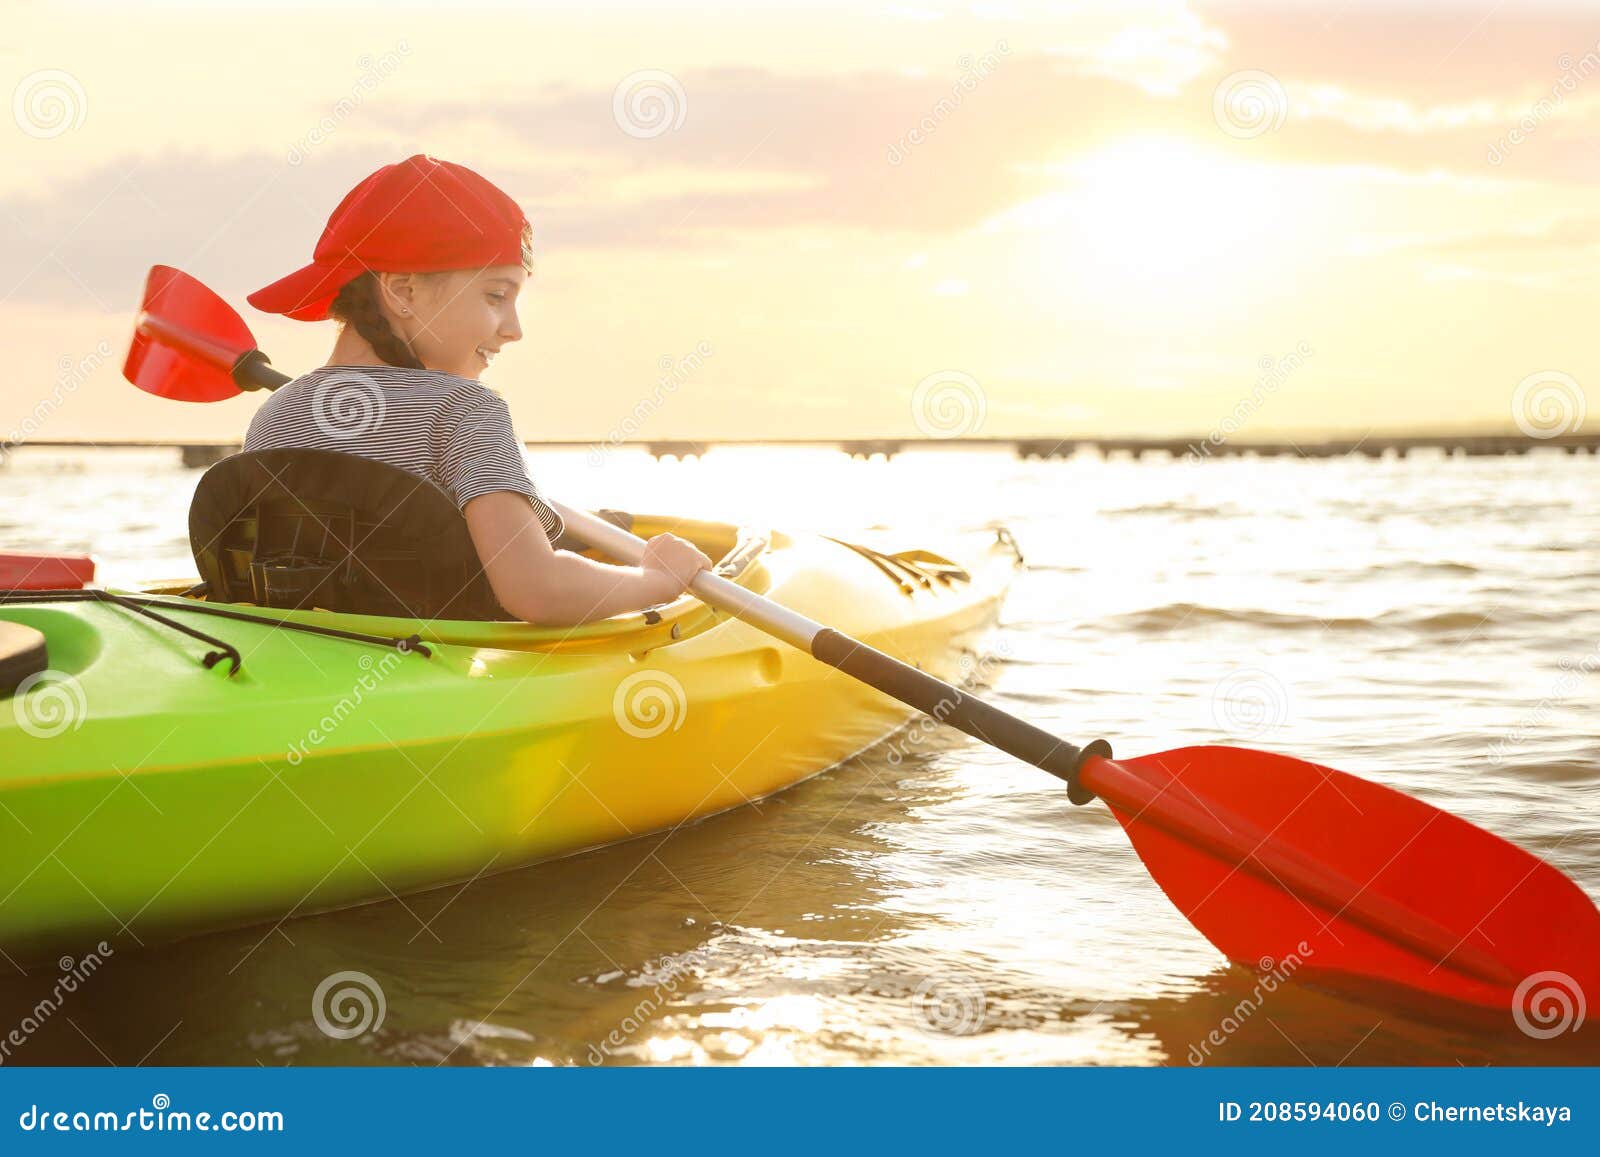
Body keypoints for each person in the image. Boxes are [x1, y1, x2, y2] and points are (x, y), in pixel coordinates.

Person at [242, 154, 710, 626]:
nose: (514, 329)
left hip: (297, 662)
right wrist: (656, 581)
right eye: (495, 296)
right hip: (437, 679)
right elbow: (537, 591)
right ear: (403, 292)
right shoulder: (465, 410)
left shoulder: (274, 415)